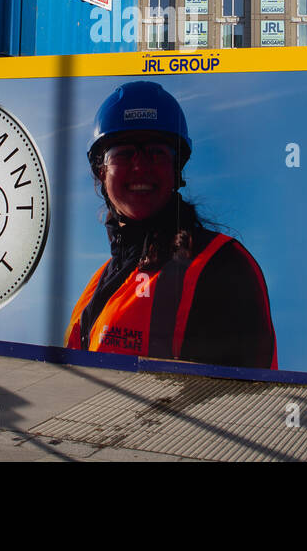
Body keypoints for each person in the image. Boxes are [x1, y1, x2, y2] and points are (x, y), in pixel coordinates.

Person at [66, 81, 276, 369]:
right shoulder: (101, 283)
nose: (140, 166)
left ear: (176, 170)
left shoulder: (222, 265)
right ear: (101, 172)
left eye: (156, 153)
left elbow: (247, 401)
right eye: (125, 153)